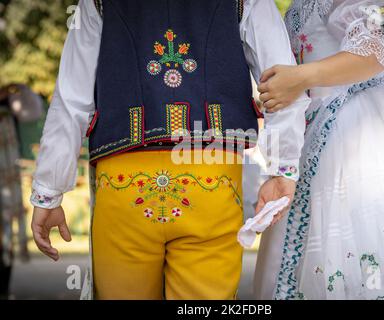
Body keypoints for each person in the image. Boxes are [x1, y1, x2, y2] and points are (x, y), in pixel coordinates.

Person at [30, 0, 310, 300]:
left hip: (124, 186)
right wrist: (283, 168)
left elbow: (71, 100)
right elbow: (281, 82)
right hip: (212, 180)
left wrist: (49, 191)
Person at [254, 0, 384, 300]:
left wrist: (302, 77)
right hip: (319, 129)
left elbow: (375, 52)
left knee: (381, 252)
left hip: (366, 125)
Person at [0, 84, 36, 300]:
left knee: (7, 231)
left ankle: (4, 287)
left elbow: (33, 111)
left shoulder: (9, 104)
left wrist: (20, 88)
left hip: (7, 178)